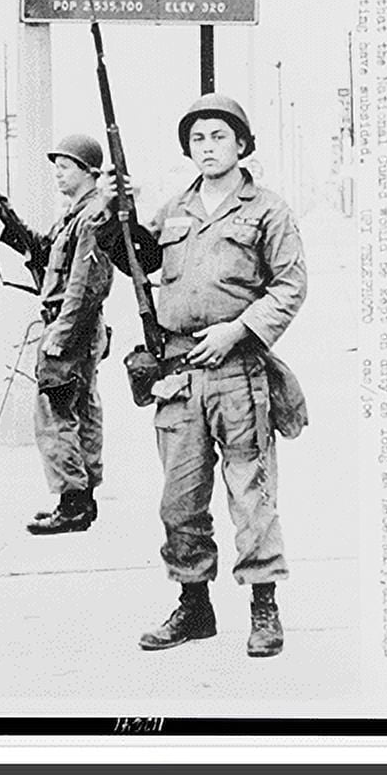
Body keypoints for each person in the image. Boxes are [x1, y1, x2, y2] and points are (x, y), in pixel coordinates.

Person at [94, 95, 307, 657]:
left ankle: (263, 607)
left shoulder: (268, 210)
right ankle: (194, 606)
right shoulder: (173, 210)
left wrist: (238, 330)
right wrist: (115, 215)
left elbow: (290, 287)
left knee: (250, 493)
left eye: (218, 137)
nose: (207, 148)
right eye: (197, 140)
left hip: (237, 370)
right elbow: (138, 259)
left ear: (241, 144)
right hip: (179, 372)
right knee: (180, 498)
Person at [0, 134, 114, 535]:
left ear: (88, 172)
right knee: (78, 408)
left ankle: (73, 503)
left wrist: (60, 334)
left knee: (56, 412)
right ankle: (82, 500)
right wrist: (10, 224)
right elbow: (50, 254)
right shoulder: (77, 213)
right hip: (73, 323)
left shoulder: (94, 215)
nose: (58, 175)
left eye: (65, 167)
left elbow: (85, 284)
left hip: (71, 324)